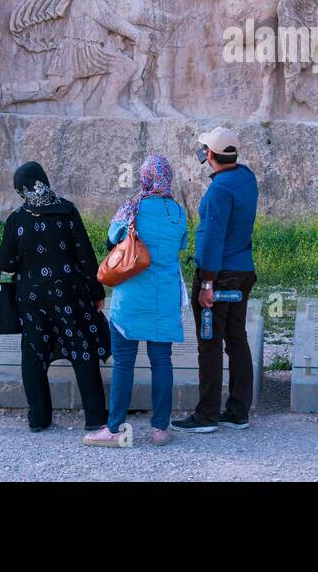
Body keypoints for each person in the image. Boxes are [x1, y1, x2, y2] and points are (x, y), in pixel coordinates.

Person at [0, 161, 110, 436]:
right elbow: (84, 254)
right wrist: (97, 292)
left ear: (23, 190)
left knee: (34, 355)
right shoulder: (67, 210)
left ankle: (39, 418)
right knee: (82, 351)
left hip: (32, 298)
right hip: (69, 296)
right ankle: (95, 417)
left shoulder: (17, 220)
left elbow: (6, 264)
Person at [85, 154, 189, 448]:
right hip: (164, 298)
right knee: (162, 363)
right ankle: (160, 429)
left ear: (144, 177)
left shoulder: (132, 207)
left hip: (131, 298)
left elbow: (111, 238)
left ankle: (115, 428)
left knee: (124, 365)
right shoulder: (178, 212)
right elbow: (180, 244)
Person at [171, 126, 259, 433]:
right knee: (236, 340)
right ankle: (238, 412)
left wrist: (206, 283)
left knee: (209, 343)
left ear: (209, 154)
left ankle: (206, 415)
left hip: (219, 276)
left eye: (204, 150)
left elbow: (212, 240)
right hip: (243, 271)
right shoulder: (246, 178)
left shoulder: (218, 191)